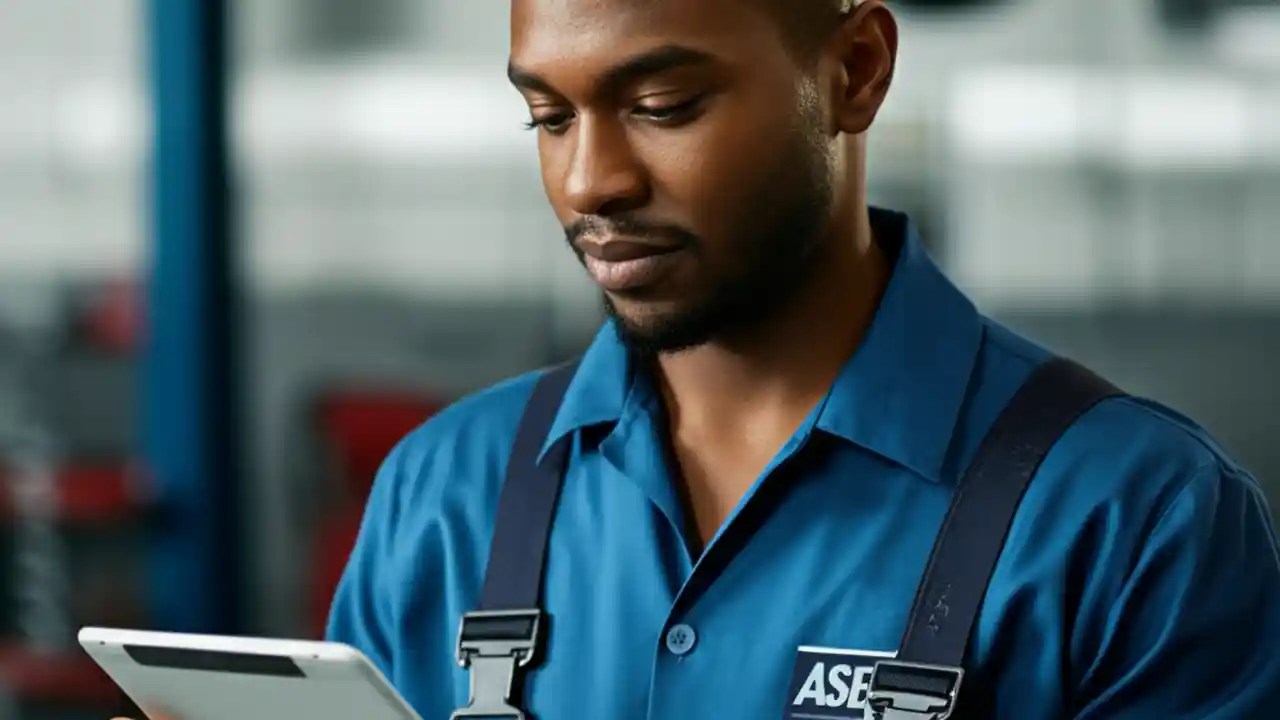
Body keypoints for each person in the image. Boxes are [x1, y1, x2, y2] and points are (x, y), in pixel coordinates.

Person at [117, 1, 1280, 718]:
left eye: (662, 104)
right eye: (548, 117)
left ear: (855, 70)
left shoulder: (1133, 525)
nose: (588, 183)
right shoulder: (444, 497)